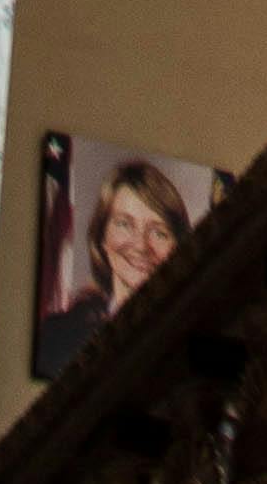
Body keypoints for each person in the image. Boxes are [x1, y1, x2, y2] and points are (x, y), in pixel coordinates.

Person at [38, 153, 189, 363]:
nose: (141, 245)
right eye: (124, 224)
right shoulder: (59, 335)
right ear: (102, 237)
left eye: (159, 232)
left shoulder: (193, 345)